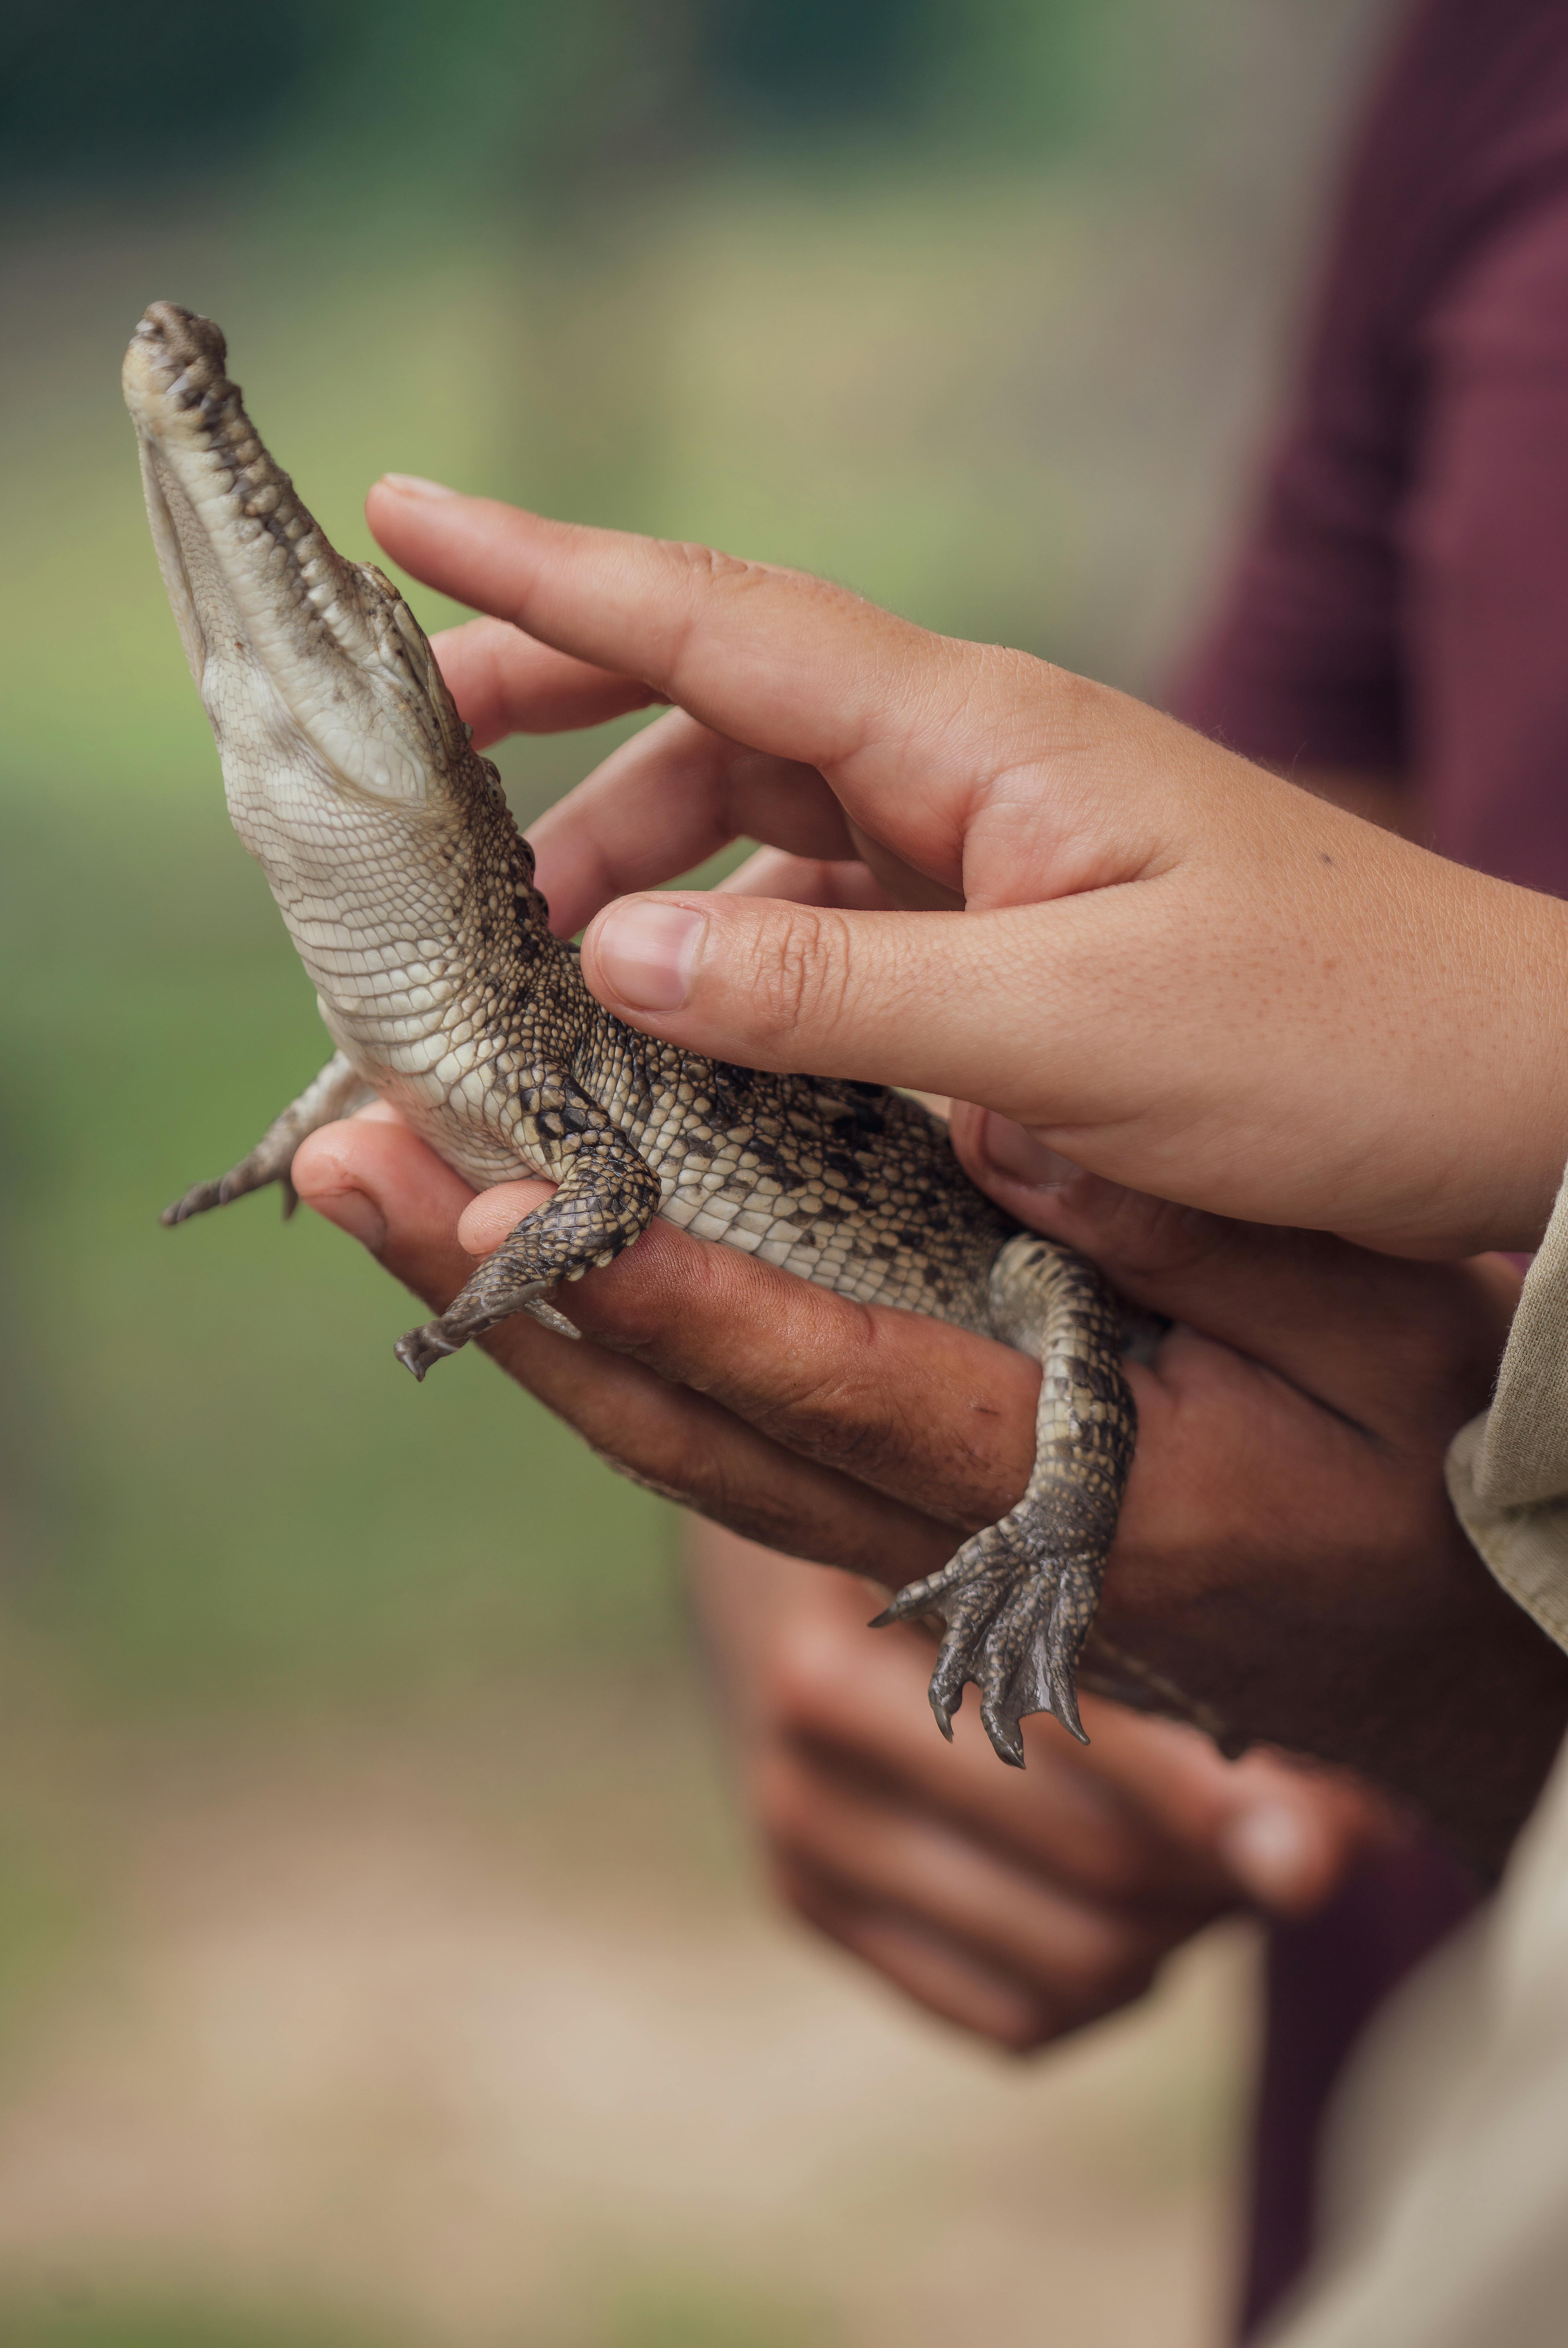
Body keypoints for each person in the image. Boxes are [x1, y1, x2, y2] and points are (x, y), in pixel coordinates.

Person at [287, 469, 1568, 2341]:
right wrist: (776, 1522)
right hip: (1379, 2074)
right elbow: (1268, 858)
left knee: (1056, 1306)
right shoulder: (1452, 167)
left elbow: (621, 1198)